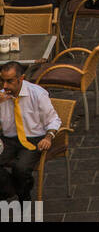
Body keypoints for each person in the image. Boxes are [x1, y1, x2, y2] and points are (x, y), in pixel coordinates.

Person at [0, 62, 61, 201]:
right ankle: (12, 189)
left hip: (33, 140)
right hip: (8, 140)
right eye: (2, 81)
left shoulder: (37, 94)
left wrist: (48, 137)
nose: (5, 86)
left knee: (20, 168)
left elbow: (54, 120)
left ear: (21, 79)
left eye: (9, 81)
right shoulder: (1, 96)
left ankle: (24, 196)